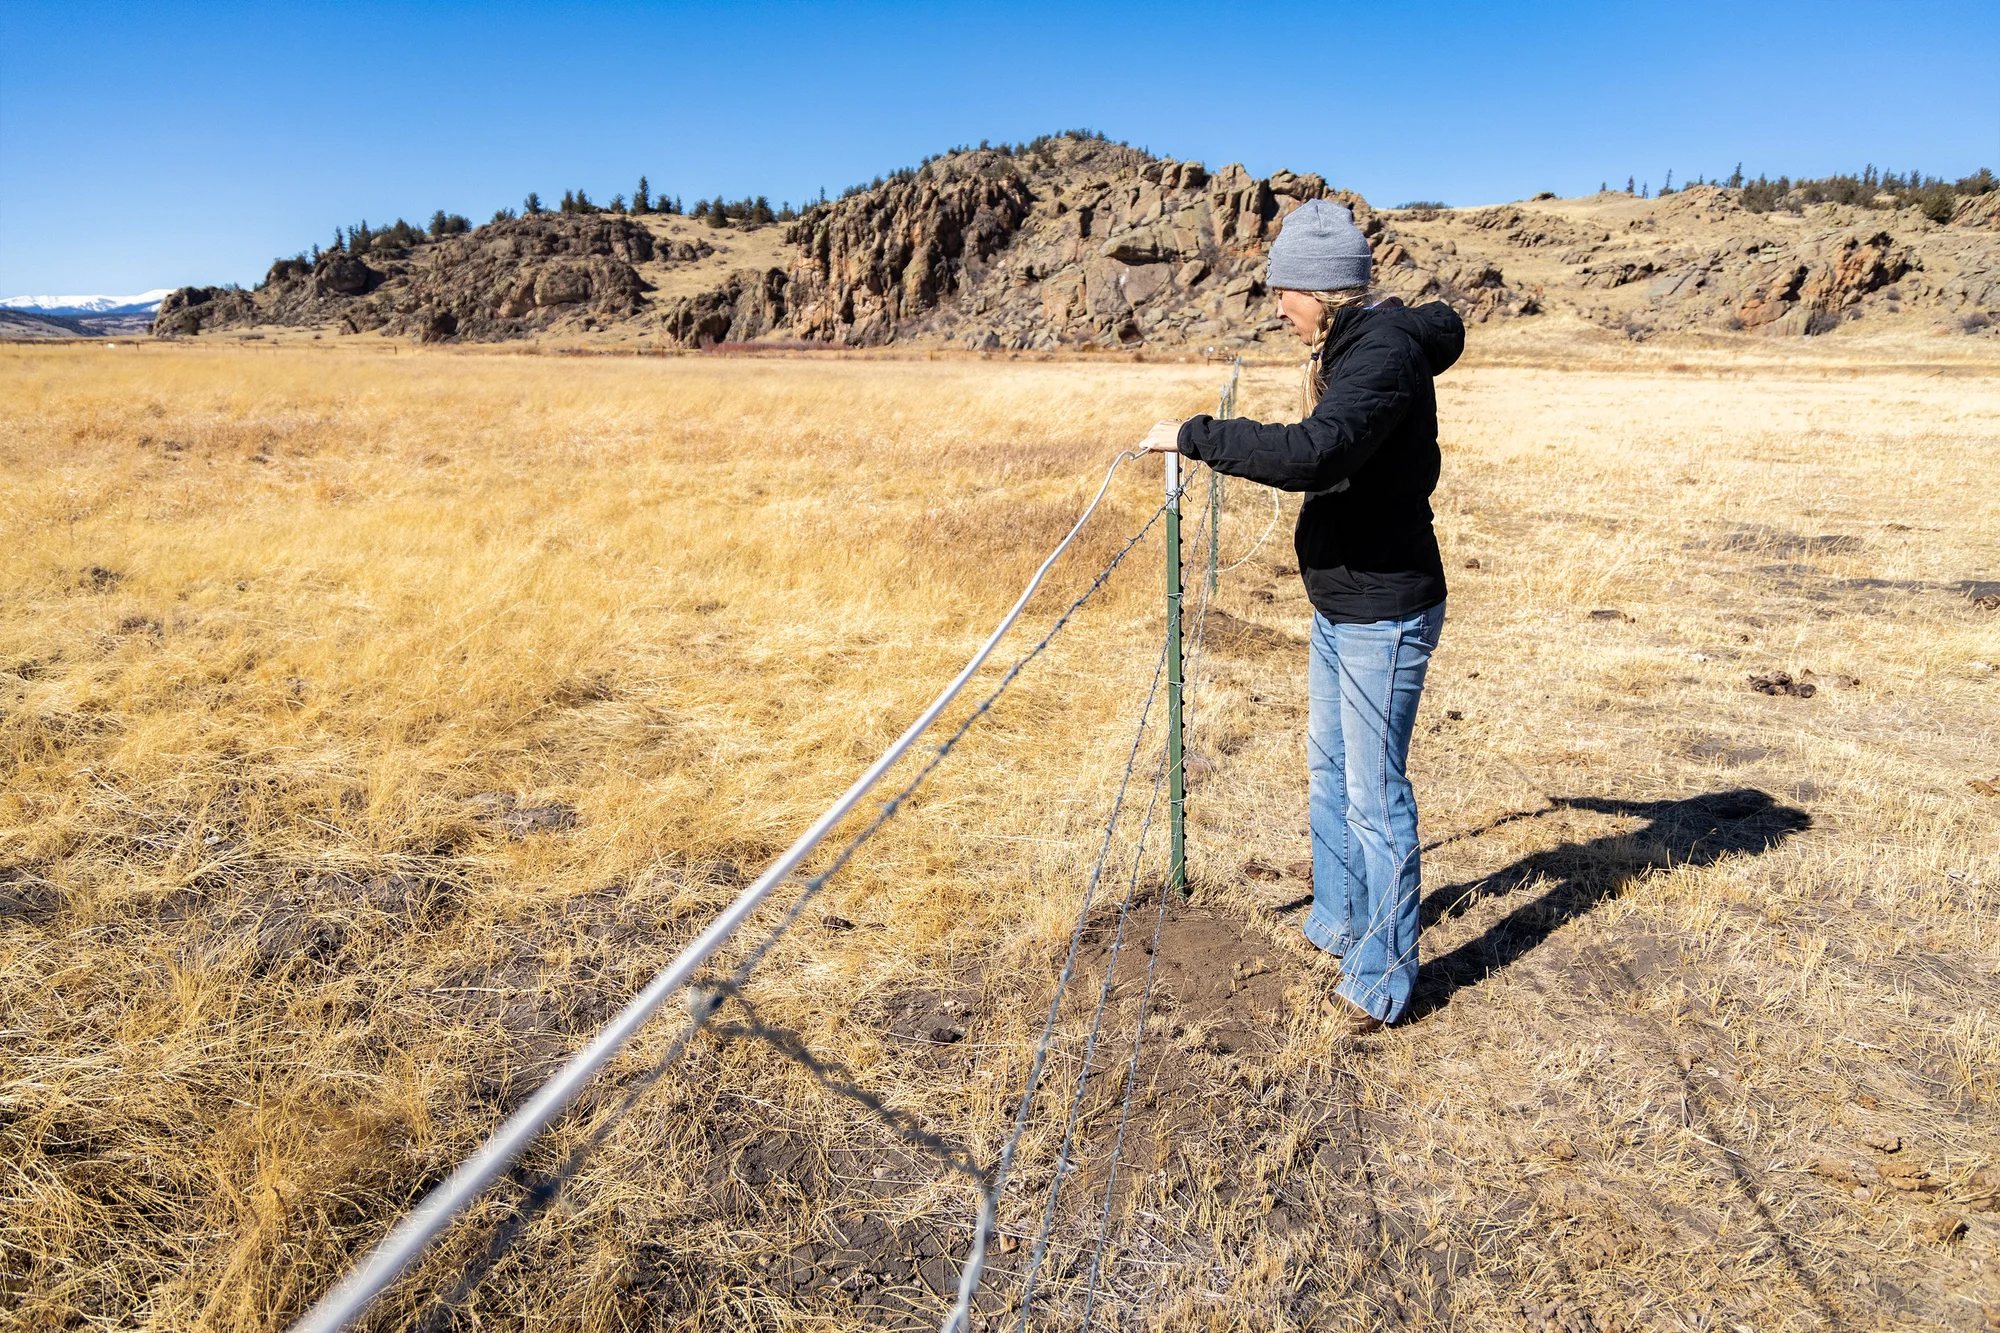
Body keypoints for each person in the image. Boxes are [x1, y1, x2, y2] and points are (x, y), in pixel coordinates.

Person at [1139, 198, 1464, 1034]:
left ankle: (1384, 975)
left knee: (1373, 794)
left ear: (1323, 289)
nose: (1277, 304)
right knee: (1331, 773)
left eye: (1285, 289)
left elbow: (1317, 451)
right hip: (1341, 601)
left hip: (1381, 611)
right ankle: (1341, 920)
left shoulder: (1381, 356)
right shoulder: (1353, 345)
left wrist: (1197, 436)